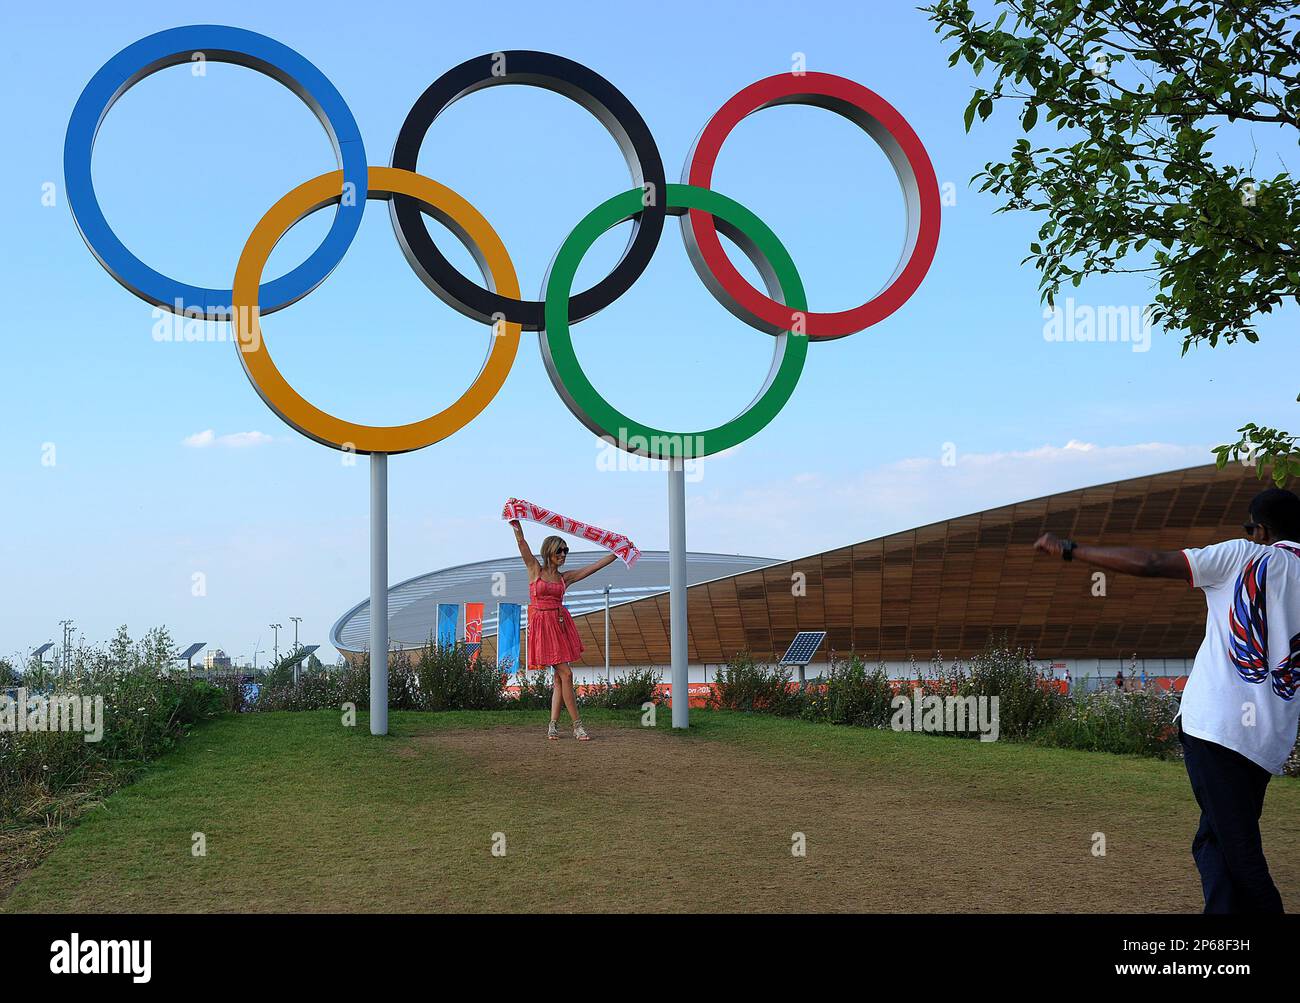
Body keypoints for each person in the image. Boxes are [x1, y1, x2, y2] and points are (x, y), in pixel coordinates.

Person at [1035, 487, 1300, 913]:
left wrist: (1071, 549)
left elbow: (1152, 563)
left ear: (1261, 530)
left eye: (1250, 529)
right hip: (1269, 738)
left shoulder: (1243, 556)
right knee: (1213, 841)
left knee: (1239, 851)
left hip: (1216, 728)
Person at [509, 518, 618, 741]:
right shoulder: (535, 570)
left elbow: (593, 568)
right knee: (566, 674)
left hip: (559, 626)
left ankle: (553, 726)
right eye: (560, 551)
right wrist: (516, 526)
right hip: (542, 626)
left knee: (560, 679)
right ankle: (577, 726)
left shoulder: (564, 578)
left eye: (565, 551)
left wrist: (617, 553)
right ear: (549, 552)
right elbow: (522, 545)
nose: (563, 555)